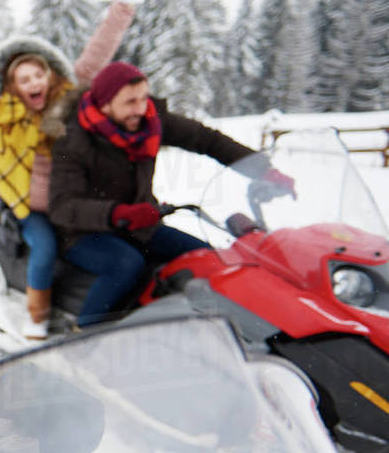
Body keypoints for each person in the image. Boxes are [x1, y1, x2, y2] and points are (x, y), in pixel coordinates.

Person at [0, 0, 144, 339]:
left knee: (121, 244)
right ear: (14, 87)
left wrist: (123, 7)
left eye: (38, 75)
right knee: (44, 248)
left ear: (50, 76)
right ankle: (36, 318)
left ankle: (115, 311)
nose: (34, 83)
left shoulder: (68, 102)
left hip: (71, 205)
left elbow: (97, 55)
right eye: (24, 79)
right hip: (28, 210)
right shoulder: (4, 116)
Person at [47, 61, 295, 327]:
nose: (140, 108)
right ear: (105, 105)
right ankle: (85, 334)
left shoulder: (151, 123)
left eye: (143, 98)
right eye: (130, 102)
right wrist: (117, 213)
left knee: (207, 259)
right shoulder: (73, 140)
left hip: (141, 225)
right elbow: (62, 206)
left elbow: (206, 139)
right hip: (86, 233)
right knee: (125, 265)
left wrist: (262, 169)